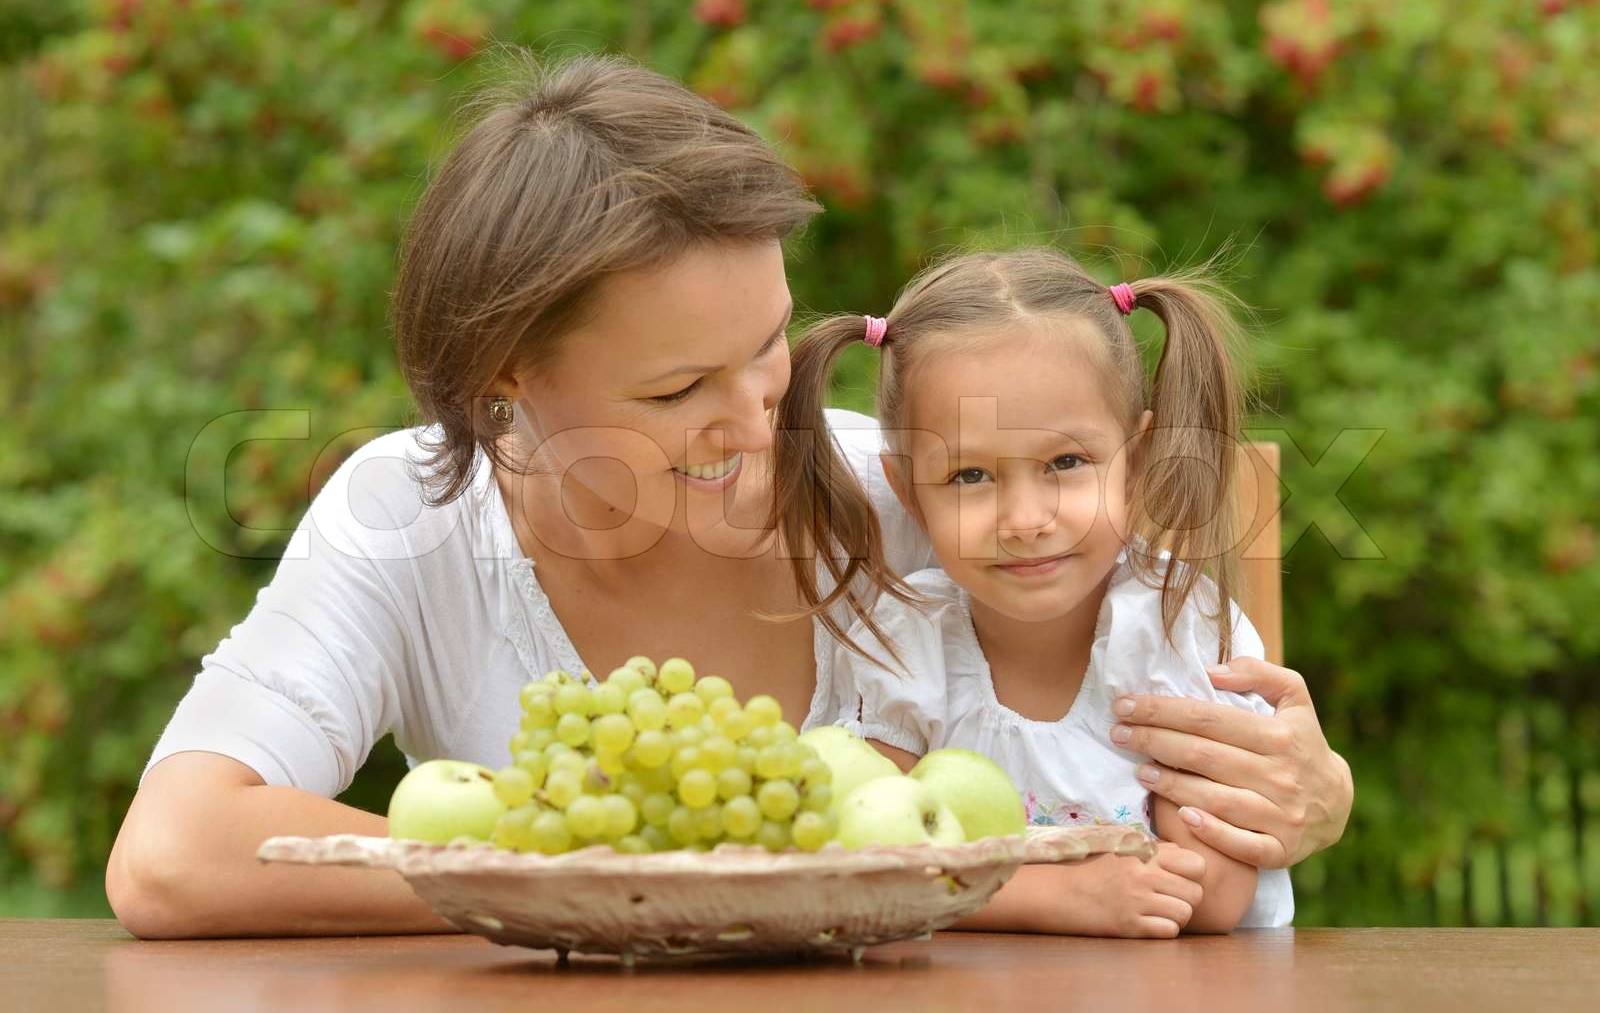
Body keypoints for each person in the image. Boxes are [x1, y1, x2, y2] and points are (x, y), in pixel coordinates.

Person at [106, 53, 1352, 939]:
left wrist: (1308, 792)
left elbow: (1147, 727)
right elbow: (169, 860)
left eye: (764, 344)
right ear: (507, 380)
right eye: (676, 388)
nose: (758, 417)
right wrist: (587, 875)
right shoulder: (409, 519)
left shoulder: (924, 489)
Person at [778, 249, 1292, 937]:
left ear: (1134, 462)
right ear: (907, 491)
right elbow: (867, 865)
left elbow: (1215, 893)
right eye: (969, 476)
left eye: (1065, 463)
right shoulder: (906, 638)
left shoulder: (1169, 626)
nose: (1024, 520)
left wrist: (973, 889)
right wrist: (1058, 896)